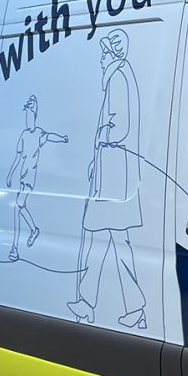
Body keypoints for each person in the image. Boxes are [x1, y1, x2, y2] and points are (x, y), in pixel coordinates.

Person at [68, 30, 145, 328]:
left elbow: (120, 126)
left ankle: (124, 306)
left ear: (113, 53)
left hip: (114, 179)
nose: (100, 59)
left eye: (103, 53)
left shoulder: (118, 77)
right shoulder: (120, 76)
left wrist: (101, 138)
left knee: (109, 240)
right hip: (112, 175)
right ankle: (89, 303)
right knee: (106, 241)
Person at [6, 95, 67, 262]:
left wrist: (62, 139)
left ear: (34, 114)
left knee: (17, 205)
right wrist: (10, 175)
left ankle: (14, 248)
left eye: (30, 113)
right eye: (25, 114)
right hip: (21, 175)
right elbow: (17, 158)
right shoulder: (24, 134)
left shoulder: (38, 133)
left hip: (30, 176)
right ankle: (33, 230)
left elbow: (50, 136)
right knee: (20, 207)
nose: (27, 118)